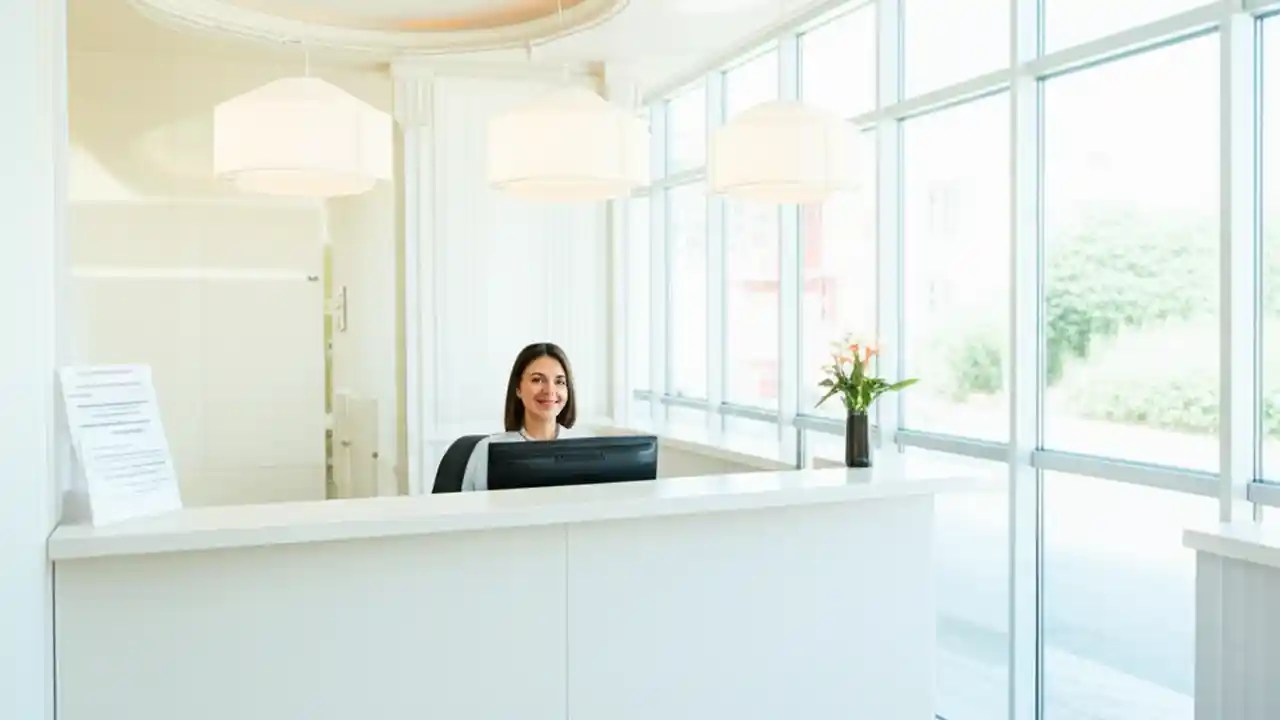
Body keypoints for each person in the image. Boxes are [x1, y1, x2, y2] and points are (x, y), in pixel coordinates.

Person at [459, 342, 582, 492]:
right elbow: (469, 511)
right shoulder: (487, 450)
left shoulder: (585, 444)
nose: (550, 390)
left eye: (559, 382)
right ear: (518, 388)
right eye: (537, 380)